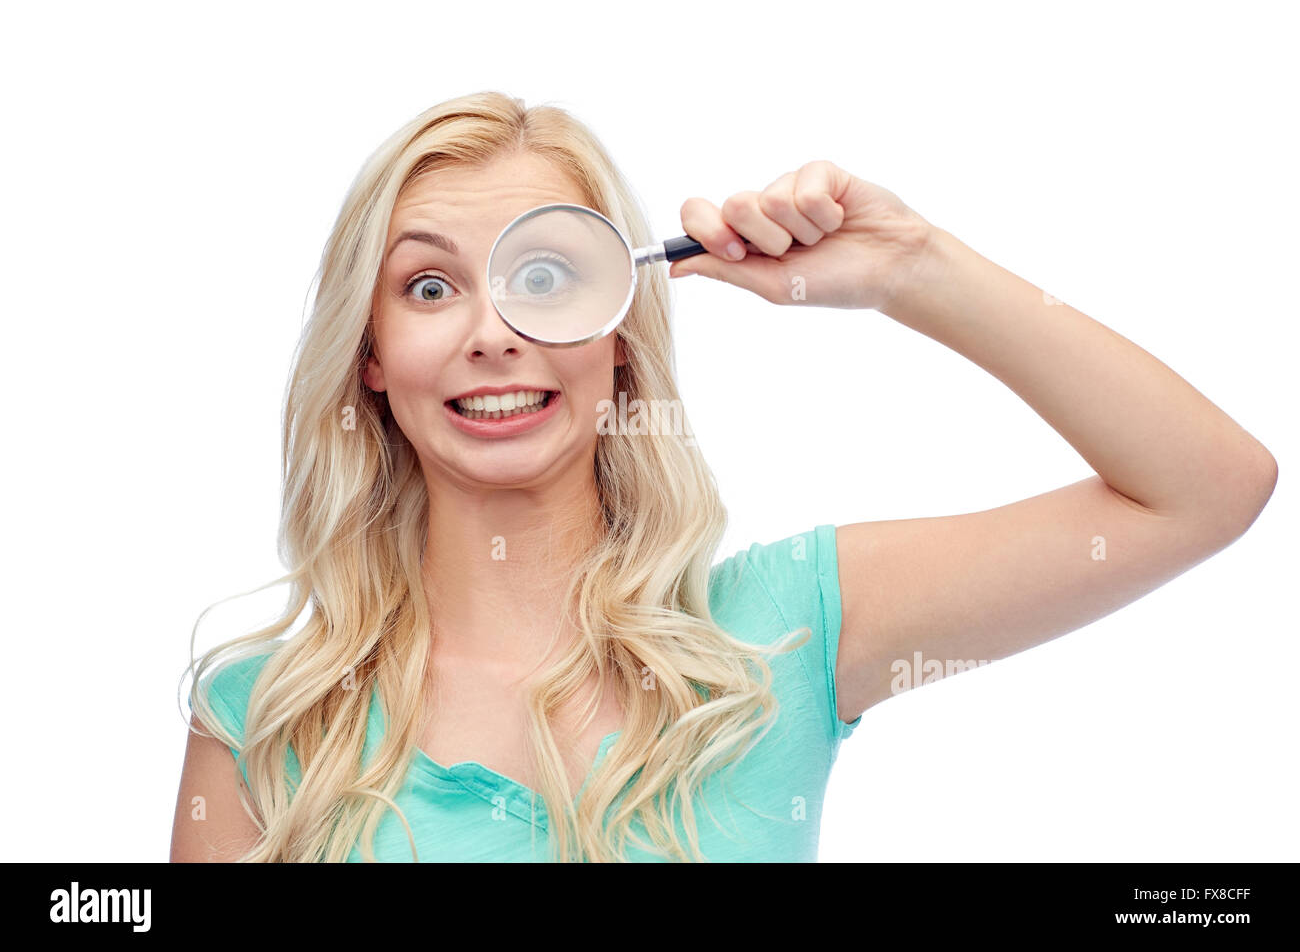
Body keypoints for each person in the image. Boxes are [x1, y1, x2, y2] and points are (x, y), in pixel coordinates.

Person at [171, 90, 1277, 863]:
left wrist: (908, 269)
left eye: (545, 274)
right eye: (426, 288)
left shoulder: (785, 630)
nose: (491, 332)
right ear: (368, 358)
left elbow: (1203, 487)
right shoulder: (265, 717)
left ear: (618, 330)